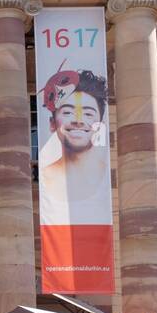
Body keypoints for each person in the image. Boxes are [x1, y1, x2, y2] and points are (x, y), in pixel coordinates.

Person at [37, 68, 111, 226]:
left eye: (88, 114)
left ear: (100, 126)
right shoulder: (44, 177)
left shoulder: (107, 179)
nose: (78, 120)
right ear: (52, 123)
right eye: (68, 112)